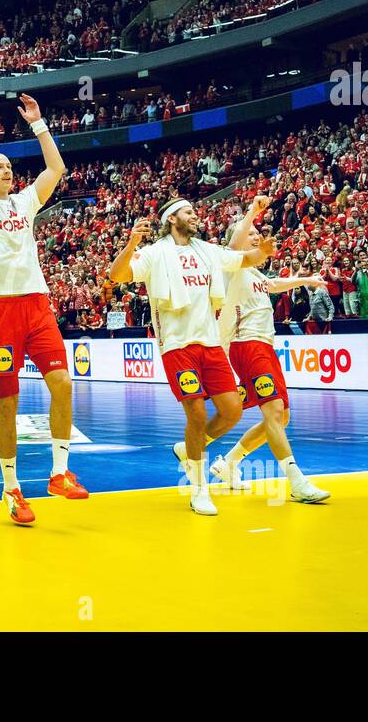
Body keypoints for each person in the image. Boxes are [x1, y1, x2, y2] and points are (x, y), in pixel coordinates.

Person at [0, 95, 86, 527]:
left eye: (9, 167)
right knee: (8, 403)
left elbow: (56, 170)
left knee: (63, 384)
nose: (7, 170)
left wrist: (39, 123)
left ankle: (58, 473)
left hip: (36, 303)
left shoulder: (24, 203)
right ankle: (11, 487)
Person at [109, 197, 274, 516]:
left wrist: (263, 251)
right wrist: (131, 244)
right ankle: (198, 489)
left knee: (232, 410)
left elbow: (243, 259)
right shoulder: (155, 253)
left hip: (210, 344)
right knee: (196, 414)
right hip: (177, 345)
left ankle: (188, 449)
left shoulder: (208, 250)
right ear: (172, 219)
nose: (194, 216)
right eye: (188, 212)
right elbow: (117, 274)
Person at [212, 197, 331, 503]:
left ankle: (229, 462)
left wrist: (306, 279)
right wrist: (252, 211)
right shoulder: (231, 264)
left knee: (281, 417)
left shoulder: (254, 274)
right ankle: (296, 481)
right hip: (246, 344)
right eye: (252, 235)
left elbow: (273, 284)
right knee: (274, 412)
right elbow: (236, 245)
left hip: (263, 346)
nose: (258, 238)